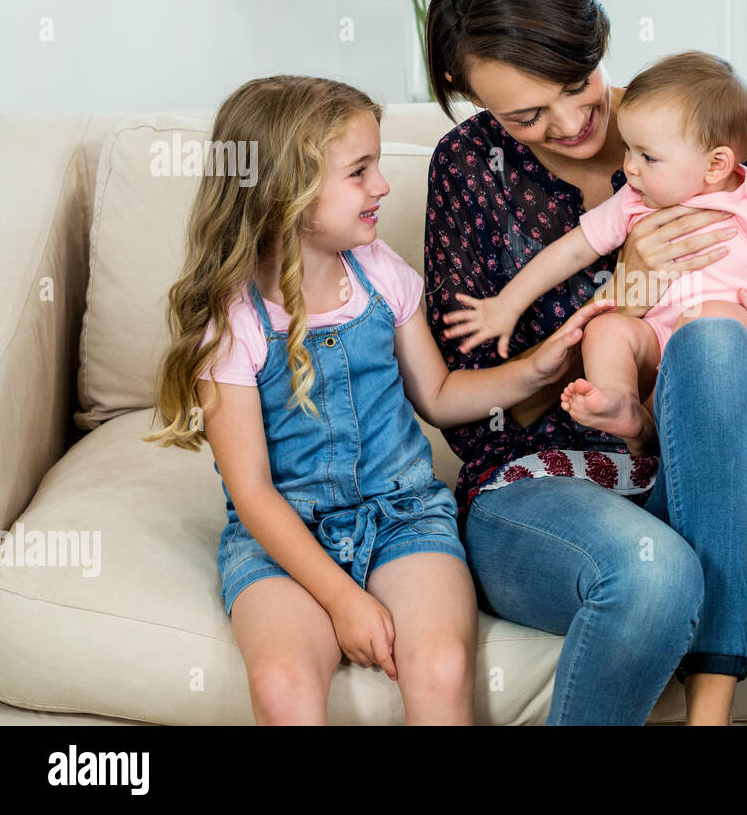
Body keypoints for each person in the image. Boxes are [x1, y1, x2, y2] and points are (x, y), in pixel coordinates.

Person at [423, 0, 747, 724]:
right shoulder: (470, 168)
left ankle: (710, 702)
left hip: (709, 474)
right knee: (653, 576)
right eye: (527, 115)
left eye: (581, 87)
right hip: (544, 487)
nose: (574, 124)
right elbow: (478, 402)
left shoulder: (705, 137)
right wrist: (631, 289)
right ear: (467, 96)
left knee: (716, 341)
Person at [146, 75, 610, 724]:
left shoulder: (382, 273)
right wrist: (341, 599)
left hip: (406, 518)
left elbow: (442, 396)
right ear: (288, 190)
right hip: (284, 537)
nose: (383, 186)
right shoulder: (235, 323)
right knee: (282, 681)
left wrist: (538, 369)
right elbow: (251, 492)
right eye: (360, 171)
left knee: (442, 666)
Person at [443, 50, 747, 446]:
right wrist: (508, 304)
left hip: (733, 346)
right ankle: (624, 406)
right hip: (658, 342)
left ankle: (664, 430)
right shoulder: (635, 198)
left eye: (648, 156)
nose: (629, 166)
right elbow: (572, 251)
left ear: (715, 165)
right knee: (605, 328)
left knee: (712, 320)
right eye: (628, 149)